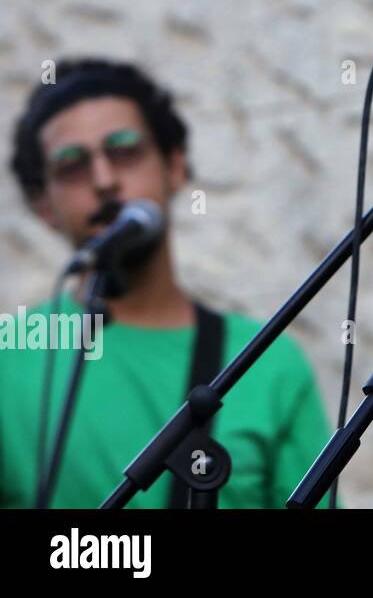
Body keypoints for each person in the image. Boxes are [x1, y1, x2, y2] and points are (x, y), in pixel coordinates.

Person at [1, 58, 333, 508]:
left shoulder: (266, 362)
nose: (104, 181)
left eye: (124, 151)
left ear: (175, 166)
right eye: (72, 165)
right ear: (42, 204)